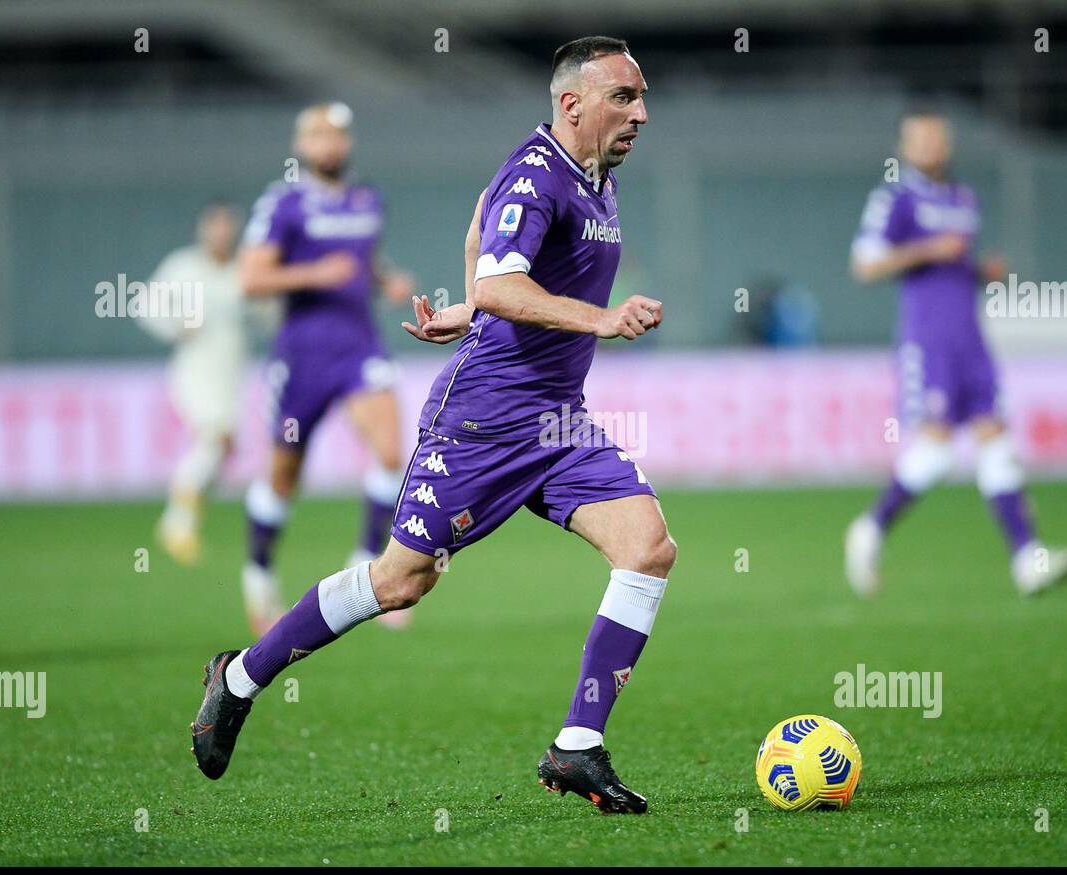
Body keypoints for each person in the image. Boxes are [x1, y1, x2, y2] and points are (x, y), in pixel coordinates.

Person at [191, 37, 673, 815]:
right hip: (482, 422)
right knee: (401, 579)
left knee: (648, 548)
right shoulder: (538, 170)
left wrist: (471, 306)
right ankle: (240, 675)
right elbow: (498, 265)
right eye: (623, 97)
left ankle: (577, 745)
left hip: (556, 425)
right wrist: (590, 316)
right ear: (571, 104)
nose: (640, 113)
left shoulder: (596, 179)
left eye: (642, 97)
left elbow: (484, 238)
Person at [845, 110, 1067, 597]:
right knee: (934, 450)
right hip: (927, 341)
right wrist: (927, 249)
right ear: (905, 148)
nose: (930, 146)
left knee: (997, 441)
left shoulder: (962, 198)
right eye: (920, 139)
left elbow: (954, 263)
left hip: (971, 339)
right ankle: (870, 528)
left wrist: (979, 271)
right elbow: (865, 265)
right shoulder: (895, 198)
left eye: (937, 138)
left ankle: (1027, 560)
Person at [238, 102, 415, 634]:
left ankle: (367, 569)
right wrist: (316, 272)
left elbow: (360, 262)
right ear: (301, 146)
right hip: (303, 356)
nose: (329, 144)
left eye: (337, 134)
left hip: (360, 348)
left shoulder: (367, 199)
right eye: (318, 135)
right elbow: (251, 279)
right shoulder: (284, 203)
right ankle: (259, 574)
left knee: (390, 452)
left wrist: (384, 280)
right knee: (282, 477)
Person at [138, 203, 250, 566]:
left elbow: (266, 311)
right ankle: (176, 525)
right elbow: (144, 305)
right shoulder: (182, 267)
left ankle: (186, 521)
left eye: (227, 227)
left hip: (230, 373)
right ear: (203, 230)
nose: (221, 234)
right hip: (194, 372)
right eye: (214, 227)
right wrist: (174, 325)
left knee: (222, 447)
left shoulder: (241, 271)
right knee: (213, 438)